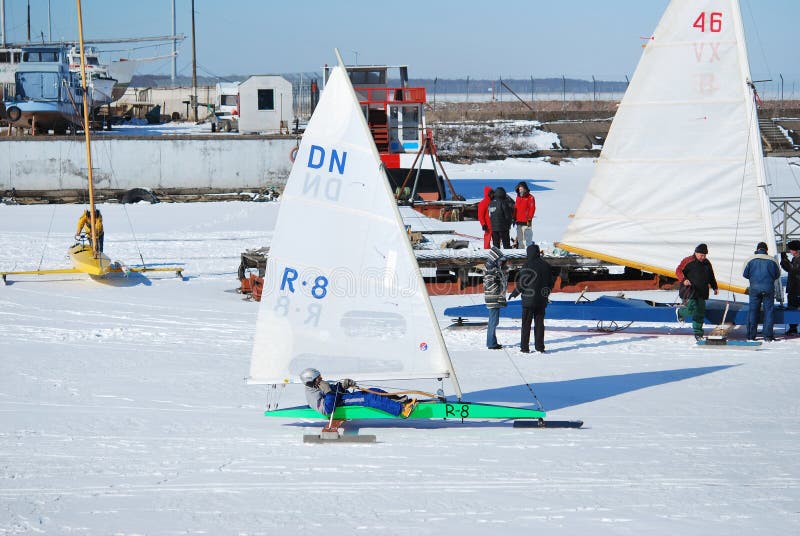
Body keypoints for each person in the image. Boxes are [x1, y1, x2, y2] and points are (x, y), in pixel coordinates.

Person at [300, 368, 417, 418]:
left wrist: (342, 385)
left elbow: (335, 390)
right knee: (369, 399)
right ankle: (402, 410)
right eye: (318, 378)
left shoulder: (320, 384)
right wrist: (329, 392)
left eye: (320, 376)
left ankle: (398, 401)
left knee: (375, 391)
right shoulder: (312, 395)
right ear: (310, 382)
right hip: (341, 403)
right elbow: (327, 410)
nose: (321, 379)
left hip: (342, 397)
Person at [509, 243, 553, 353]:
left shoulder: (527, 265)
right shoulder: (546, 265)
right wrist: (546, 294)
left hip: (528, 301)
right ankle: (540, 347)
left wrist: (514, 293)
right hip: (541, 301)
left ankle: (524, 347)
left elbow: (522, 283)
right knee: (539, 324)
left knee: (526, 325)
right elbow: (550, 283)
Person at [676, 243, 719, 340]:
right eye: (701, 255)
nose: (703, 257)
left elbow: (711, 276)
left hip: (702, 291)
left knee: (700, 312)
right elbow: (678, 271)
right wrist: (684, 280)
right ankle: (680, 312)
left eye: (704, 255)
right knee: (691, 310)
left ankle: (698, 333)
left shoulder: (707, 263)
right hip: (689, 290)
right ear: (696, 252)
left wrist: (715, 287)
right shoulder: (688, 261)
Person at [742, 242, 780, 341]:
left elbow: (745, 274)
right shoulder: (772, 260)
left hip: (754, 288)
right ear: (766, 250)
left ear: (757, 249)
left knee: (753, 311)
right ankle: (768, 336)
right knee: (769, 311)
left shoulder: (751, 259)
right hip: (768, 288)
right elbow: (777, 274)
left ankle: (751, 335)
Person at [484, 246, 508, 349]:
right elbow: (489, 284)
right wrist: (498, 291)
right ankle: (491, 343)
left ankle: (492, 342)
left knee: (494, 321)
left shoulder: (495, 270)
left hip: (495, 299)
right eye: (499, 261)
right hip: (493, 299)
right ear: (494, 260)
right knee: (493, 321)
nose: (500, 263)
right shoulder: (491, 270)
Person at [780, 239, 800, 335]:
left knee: (794, 308)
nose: (790, 252)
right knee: (792, 308)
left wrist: (784, 260)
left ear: (795, 250)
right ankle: (793, 328)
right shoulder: (795, 259)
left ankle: (793, 328)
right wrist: (785, 260)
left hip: (797, 288)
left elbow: (793, 270)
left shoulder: (798, 259)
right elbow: (791, 269)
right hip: (794, 288)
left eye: (791, 249)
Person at [513, 181, 536, 249]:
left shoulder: (530, 197)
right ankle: (521, 254)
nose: (520, 190)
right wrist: (514, 218)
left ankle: (529, 253)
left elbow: (532, 208)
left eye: (521, 189)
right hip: (519, 221)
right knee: (520, 240)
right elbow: (516, 208)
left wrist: (529, 218)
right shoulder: (518, 197)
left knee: (528, 239)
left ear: (525, 188)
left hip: (527, 221)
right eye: (519, 189)